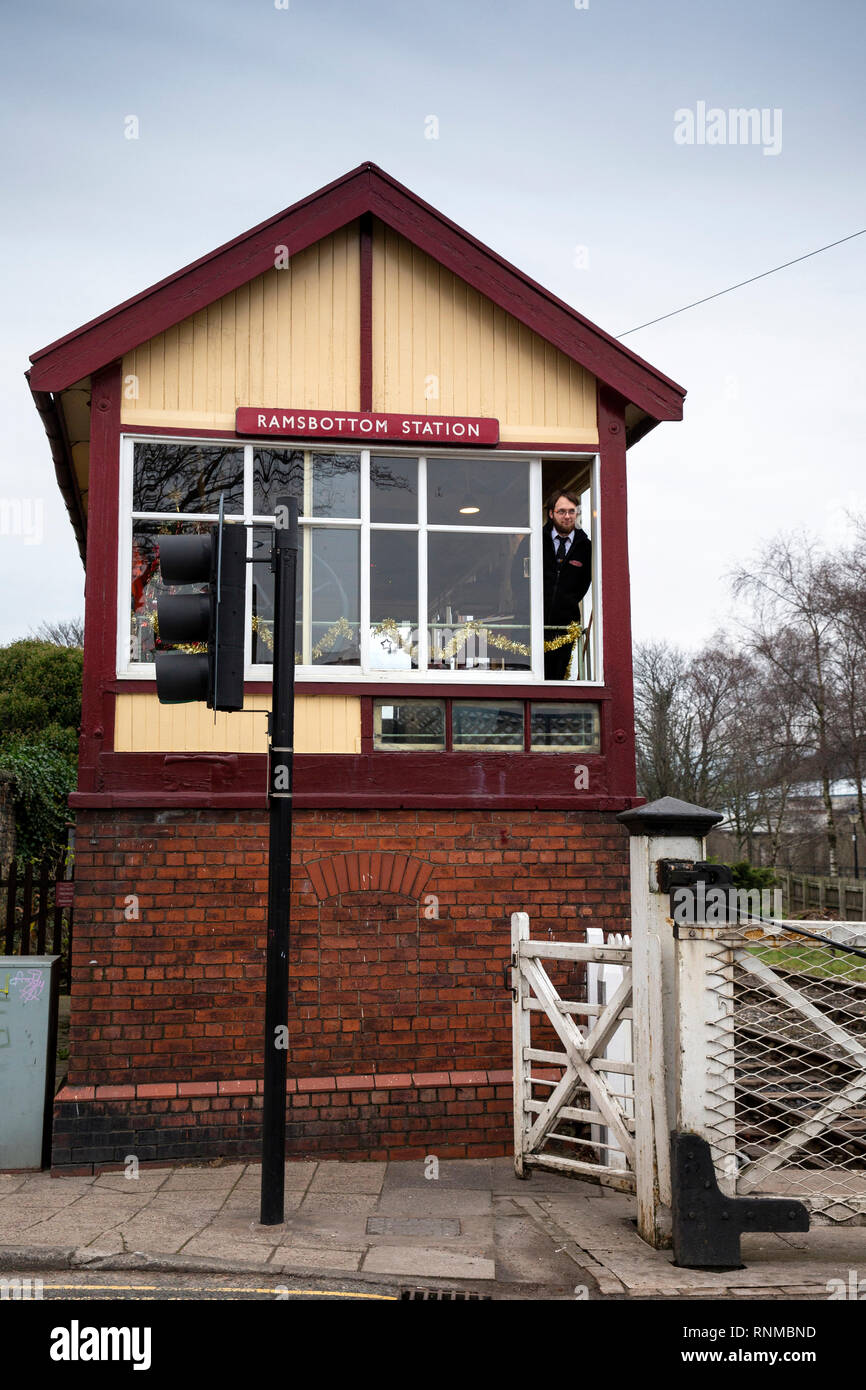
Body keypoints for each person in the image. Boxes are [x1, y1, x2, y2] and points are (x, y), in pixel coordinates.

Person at [543, 491, 592, 680]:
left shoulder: (585, 547)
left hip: (566, 626)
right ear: (551, 514)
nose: (567, 516)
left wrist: (567, 602)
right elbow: (519, 577)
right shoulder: (535, 540)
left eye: (572, 511)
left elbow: (585, 583)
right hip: (533, 624)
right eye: (561, 511)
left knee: (558, 676)